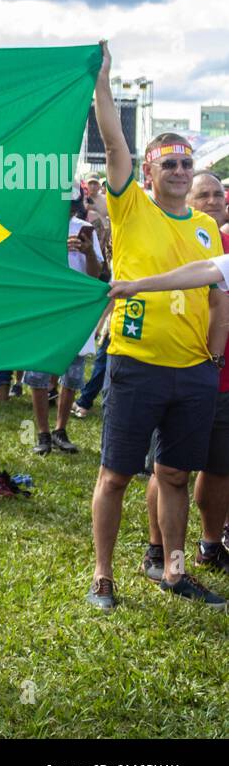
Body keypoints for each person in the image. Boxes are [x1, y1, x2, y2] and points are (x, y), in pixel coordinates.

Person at [86, 42, 227, 611]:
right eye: (168, 163)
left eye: (186, 164)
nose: (179, 171)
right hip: (135, 364)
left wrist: (213, 356)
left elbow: (219, 293)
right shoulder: (129, 205)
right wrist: (103, 82)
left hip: (192, 372)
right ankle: (102, 577)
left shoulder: (205, 226)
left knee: (172, 474)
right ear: (148, 170)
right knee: (115, 476)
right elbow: (114, 138)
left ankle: (172, 570)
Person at [113, 169, 229, 577]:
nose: (214, 200)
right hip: (175, 370)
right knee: (167, 470)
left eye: (220, 194)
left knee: (206, 468)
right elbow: (198, 276)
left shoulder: (215, 241)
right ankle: (157, 554)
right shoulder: (200, 245)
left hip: (203, 373)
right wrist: (135, 286)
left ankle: (205, 548)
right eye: (206, 194)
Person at [24, 210, 104, 454]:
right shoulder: (37, 225)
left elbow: (96, 274)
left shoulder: (84, 228)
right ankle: (42, 433)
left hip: (75, 313)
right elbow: (29, 267)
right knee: (38, 374)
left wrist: (88, 251)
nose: (67, 208)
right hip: (45, 310)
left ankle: (60, 430)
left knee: (72, 375)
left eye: (72, 202)